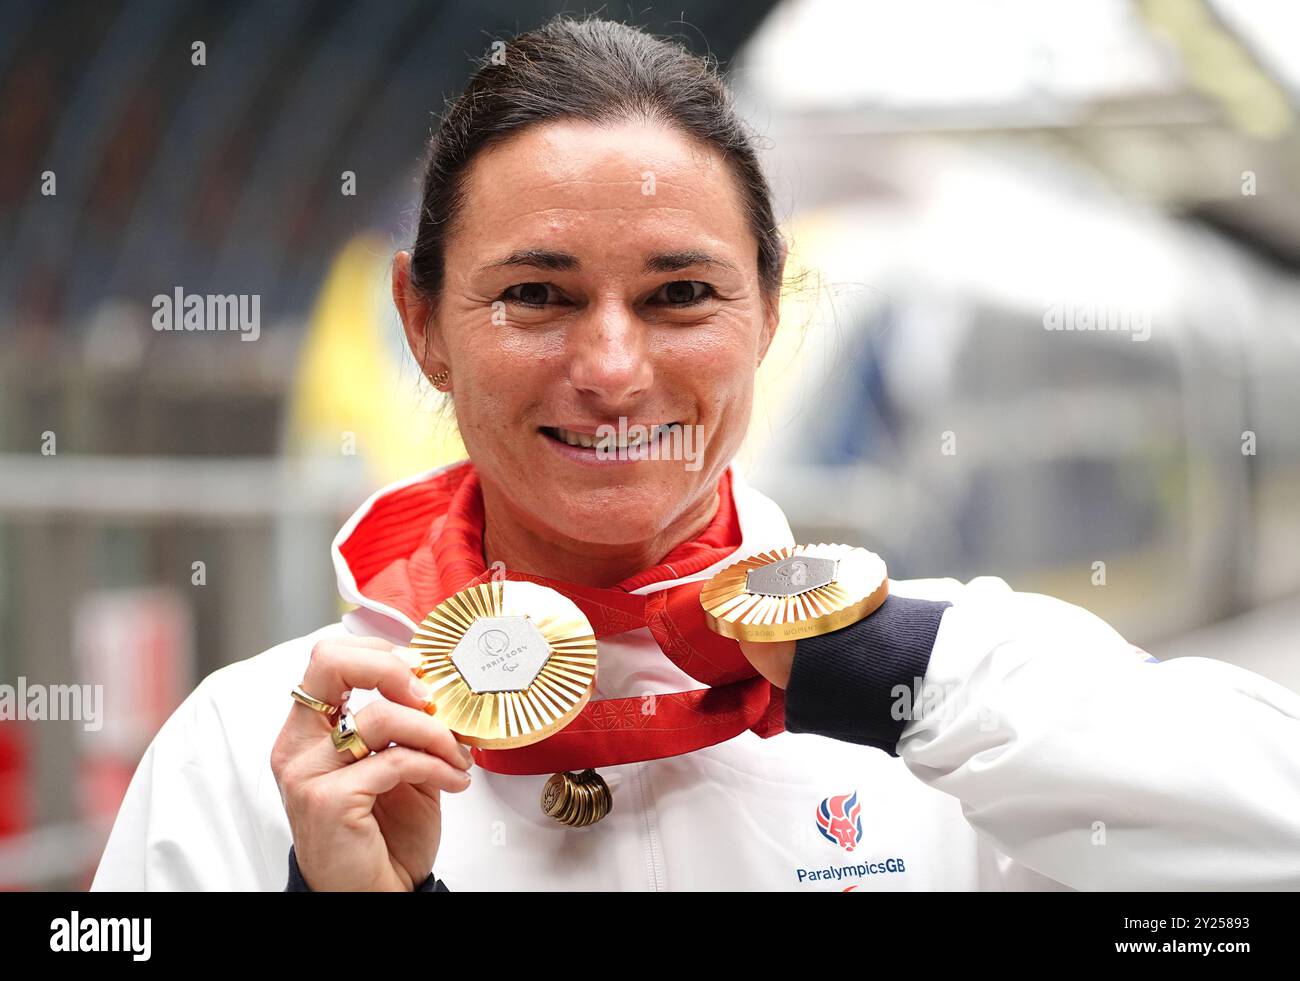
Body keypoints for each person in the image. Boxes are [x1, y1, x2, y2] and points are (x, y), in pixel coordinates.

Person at [91, 15, 1300, 893]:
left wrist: (918, 674)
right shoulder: (253, 754)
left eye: (680, 293)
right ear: (423, 326)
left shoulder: (957, 704)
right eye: (535, 294)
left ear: (770, 314)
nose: (613, 368)